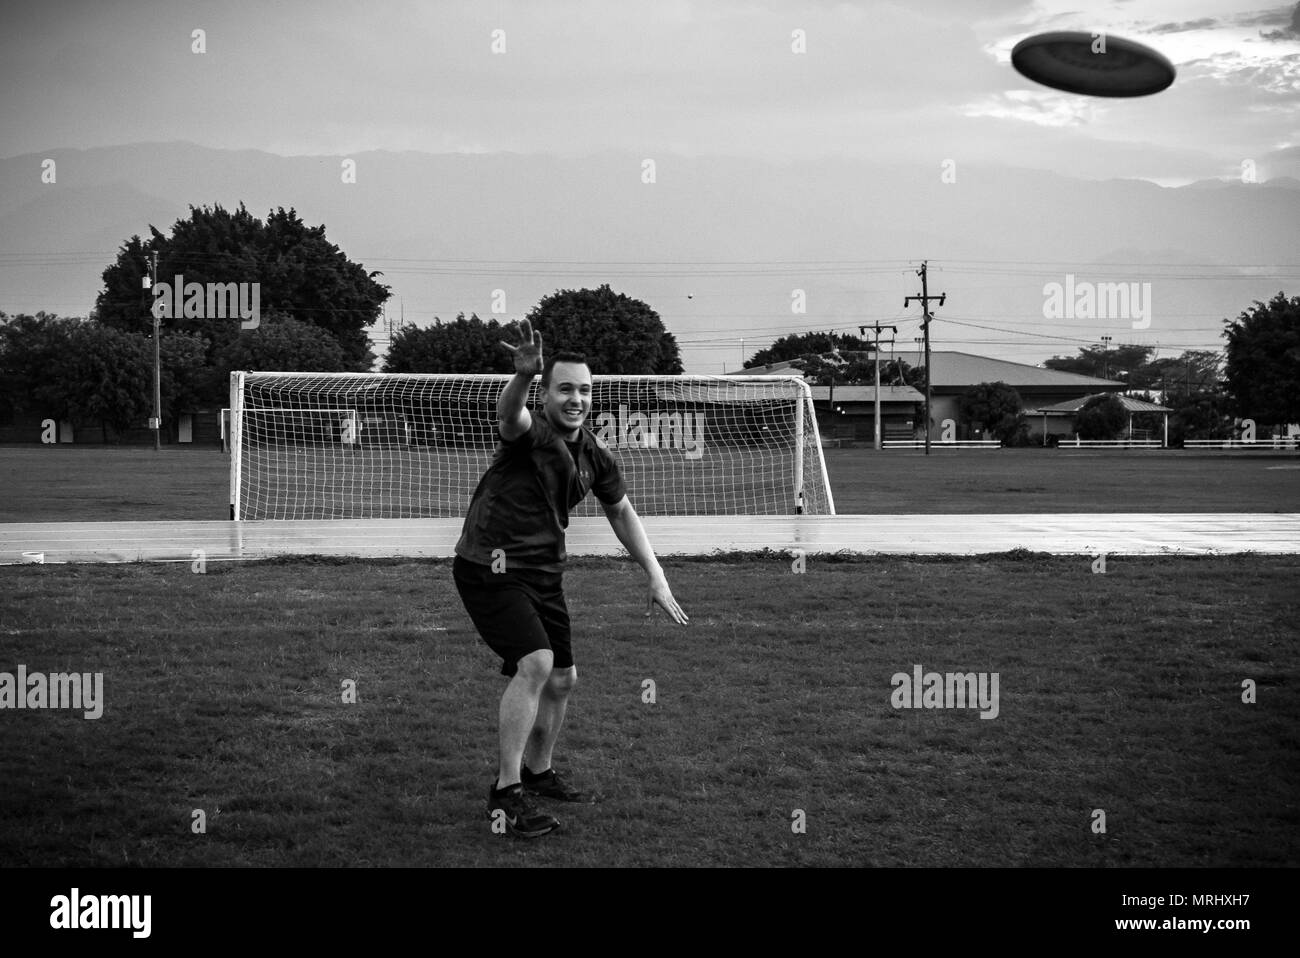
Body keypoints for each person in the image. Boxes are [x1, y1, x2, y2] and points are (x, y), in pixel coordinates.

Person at [453, 319, 689, 838]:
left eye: (583, 390)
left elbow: (621, 511)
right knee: (535, 663)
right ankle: (506, 794)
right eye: (564, 389)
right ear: (546, 394)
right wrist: (522, 375)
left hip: (544, 573)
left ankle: (538, 773)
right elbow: (508, 415)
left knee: (563, 678)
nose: (575, 399)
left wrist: (656, 575)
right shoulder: (530, 433)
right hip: (490, 567)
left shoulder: (595, 455)